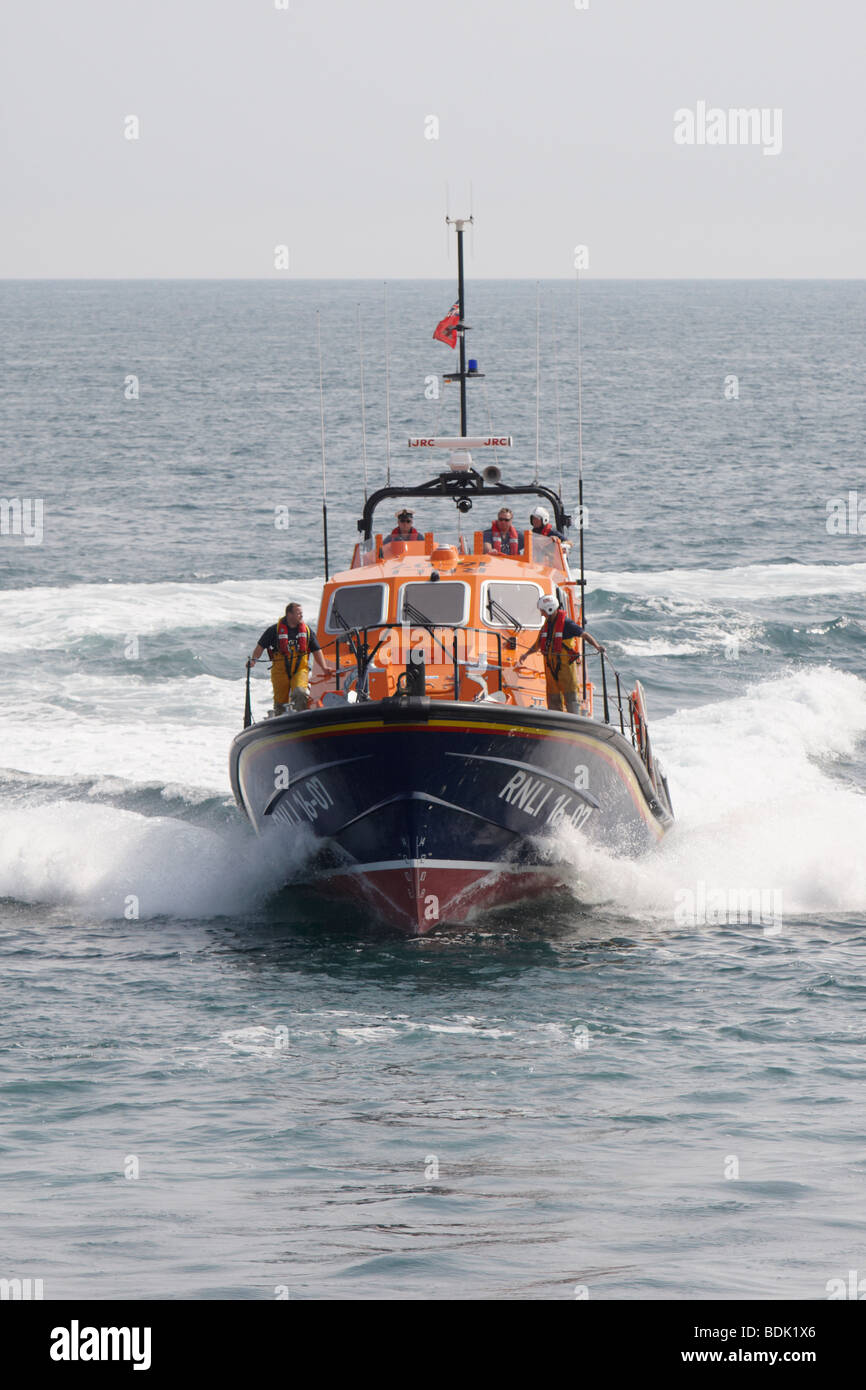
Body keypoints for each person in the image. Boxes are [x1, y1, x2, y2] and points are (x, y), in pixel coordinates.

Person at [515, 594, 604, 715]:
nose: (542, 614)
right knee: (553, 700)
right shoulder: (546, 625)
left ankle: (574, 723)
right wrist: (526, 654)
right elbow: (538, 644)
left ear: (549, 609)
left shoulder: (567, 624)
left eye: (542, 611)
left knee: (571, 699)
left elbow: (584, 635)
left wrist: (597, 646)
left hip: (565, 670)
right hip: (550, 670)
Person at [250, 602, 327, 714]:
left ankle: (302, 718)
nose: (301, 615)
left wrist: (324, 668)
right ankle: (280, 720)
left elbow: (317, 651)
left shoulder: (307, 631)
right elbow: (260, 646)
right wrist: (254, 660)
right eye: (298, 613)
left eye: (302, 613)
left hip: (300, 669)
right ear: (289, 614)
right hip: (280, 671)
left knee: (300, 692)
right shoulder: (273, 630)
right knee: (280, 702)